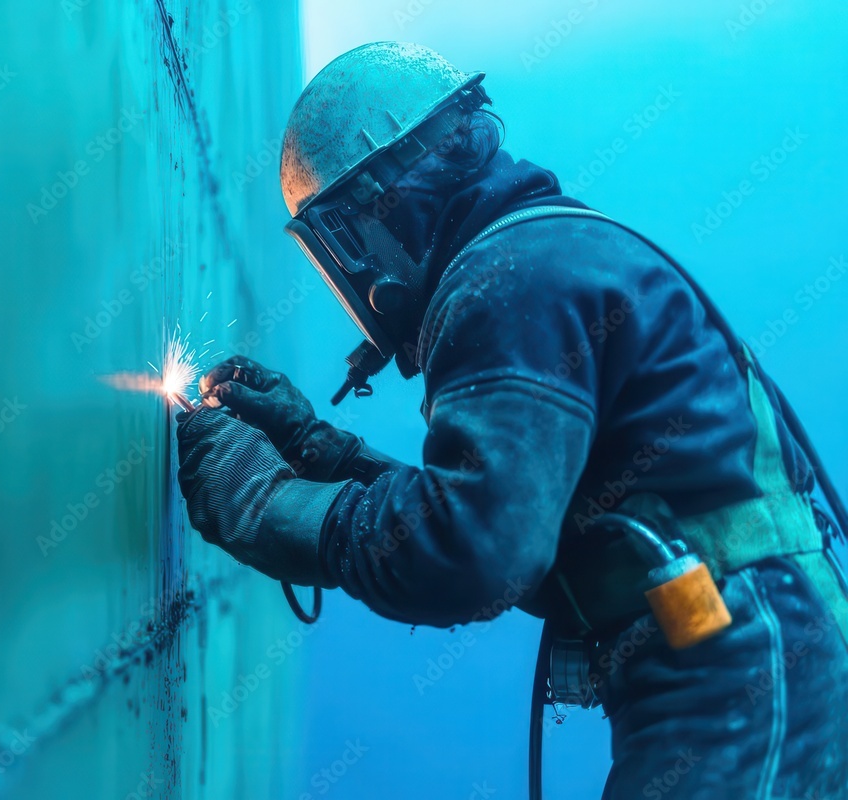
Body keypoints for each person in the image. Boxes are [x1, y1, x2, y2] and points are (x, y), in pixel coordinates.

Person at [175, 42, 848, 798]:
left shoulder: (506, 281)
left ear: (384, 208)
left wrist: (264, 504)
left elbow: (473, 549)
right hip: (737, 648)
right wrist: (318, 451)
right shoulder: (538, 254)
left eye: (350, 244)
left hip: (738, 661)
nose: (361, 274)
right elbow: (507, 515)